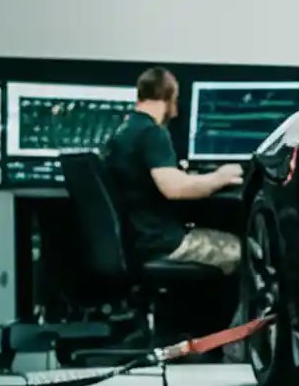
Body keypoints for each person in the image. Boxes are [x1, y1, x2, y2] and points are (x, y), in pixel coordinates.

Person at [104, 67, 244, 274]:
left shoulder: (124, 131)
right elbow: (175, 189)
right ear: (170, 97)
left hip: (137, 239)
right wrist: (220, 177)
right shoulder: (153, 133)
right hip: (161, 242)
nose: (176, 110)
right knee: (242, 250)